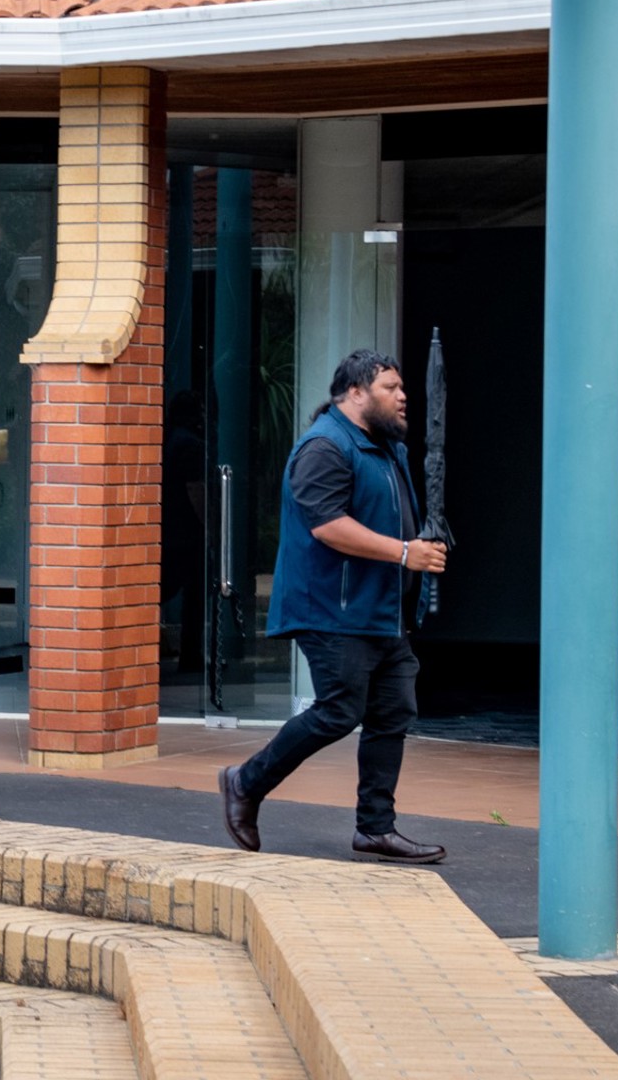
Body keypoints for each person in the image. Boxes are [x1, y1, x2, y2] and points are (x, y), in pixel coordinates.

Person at [219, 348, 453, 865]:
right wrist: (405, 553)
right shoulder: (324, 447)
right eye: (390, 387)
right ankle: (244, 781)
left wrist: (423, 542)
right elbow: (327, 525)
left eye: (402, 388)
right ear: (354, 393)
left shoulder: (387, 449)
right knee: (339, 711)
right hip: (331, 610)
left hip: (381, 612)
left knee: (393, 711)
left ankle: (375, 828)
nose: (403, 396)